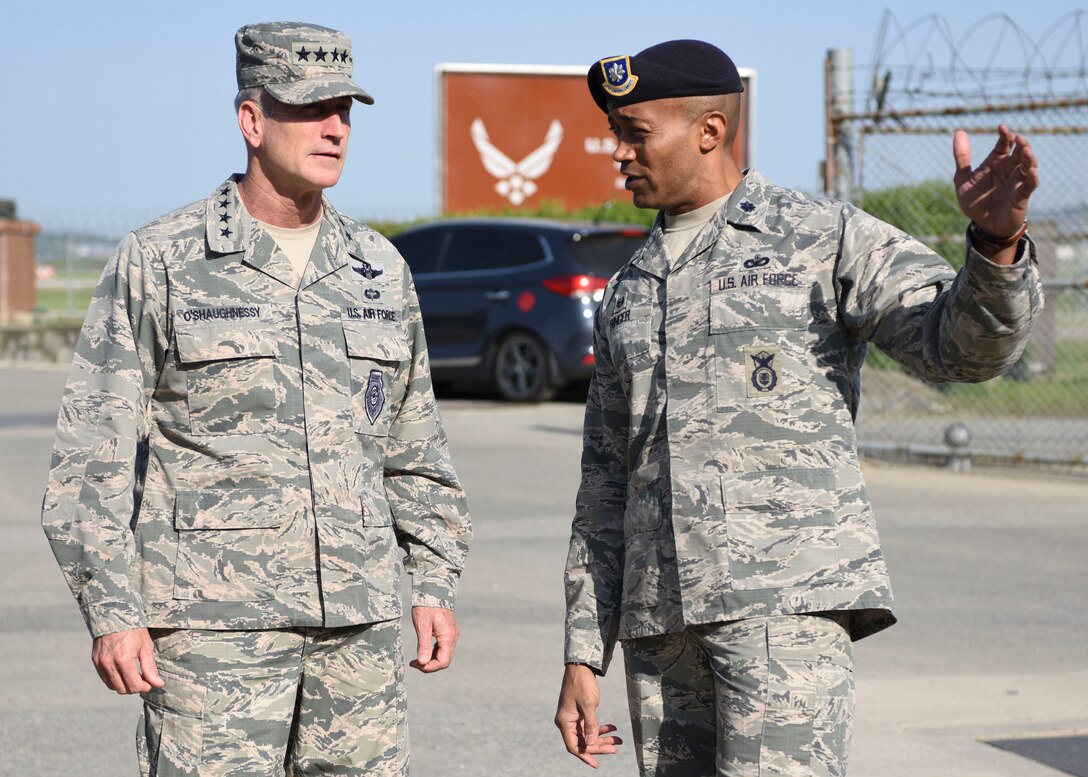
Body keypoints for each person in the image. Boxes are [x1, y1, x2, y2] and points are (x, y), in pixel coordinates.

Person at [555, 39, 1040, 776]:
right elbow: (604, 488)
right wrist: (584, 651)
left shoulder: (819, 236)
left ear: (709, 131)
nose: (616, 151)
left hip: (781, 612)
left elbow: (961, 350)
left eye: (635, 132)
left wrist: (996, 244)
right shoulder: (628, 288)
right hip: (663, 630)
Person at [41, 21, 471, 776]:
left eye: (345, 109)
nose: (335, 128)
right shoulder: (163, 260)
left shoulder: (378, 269)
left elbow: (414, 445)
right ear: (251, 120)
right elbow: (90, 461)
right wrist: (112, 612)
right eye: (311, 109)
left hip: (358, 631)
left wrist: (433, 581)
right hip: (214, 634)